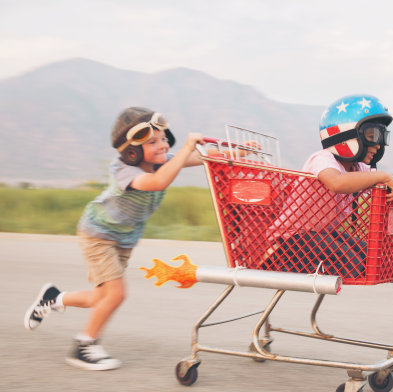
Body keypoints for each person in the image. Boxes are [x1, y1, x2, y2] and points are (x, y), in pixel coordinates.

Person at [23, 107, 254, 371]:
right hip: (98, 235)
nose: (162, 145)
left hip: (123, 239)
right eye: (152, 142)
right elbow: (157, 182)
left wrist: (237, 151)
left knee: (100, 298)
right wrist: (183, 151)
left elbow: (201, 156)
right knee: (116, 295)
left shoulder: (161, 161)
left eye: (164, 139)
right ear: (131, 152)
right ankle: (83, 345)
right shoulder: (124, 171)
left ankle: (54, 298)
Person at [265, 94, 393, 279]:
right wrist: (385, 176)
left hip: (319, 236)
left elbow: (376, 178)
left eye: (381, 137)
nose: (378, 145)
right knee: (352, 263)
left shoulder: (356, 168)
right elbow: (336, 182)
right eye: (372, 136)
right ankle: (277, 263)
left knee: (372, 256)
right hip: (288, 241)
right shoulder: (321, 159)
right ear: (345, 135)